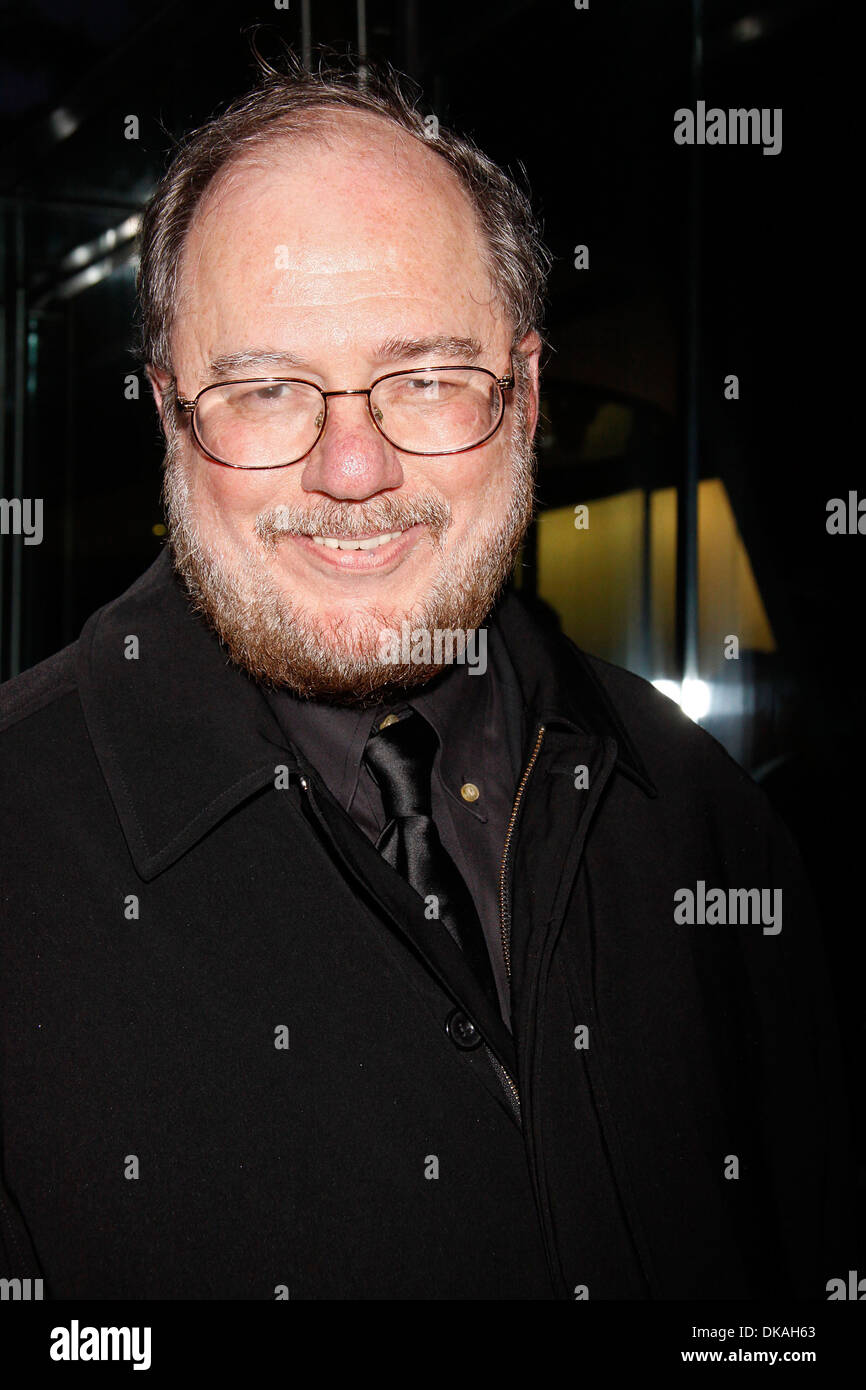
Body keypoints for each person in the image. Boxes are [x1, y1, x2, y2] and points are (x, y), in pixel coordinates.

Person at [0, 54, 853, 1301]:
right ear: (170, 412)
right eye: (266, 388)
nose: (353, 467)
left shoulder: (703, 814)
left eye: (427, 378)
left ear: (527, 394)